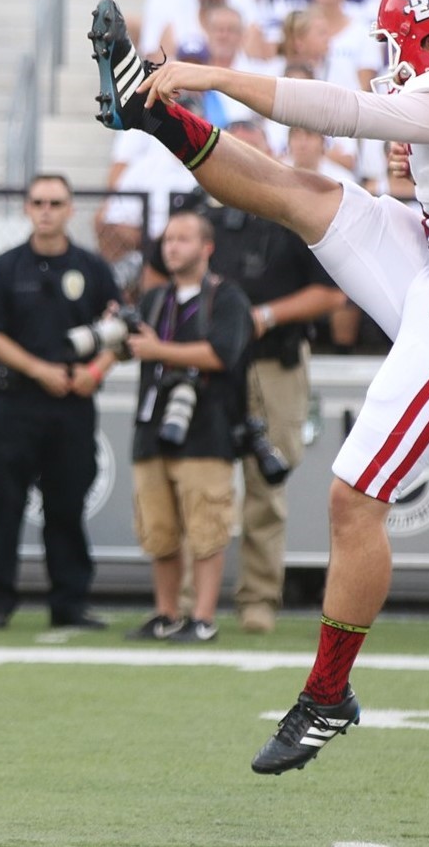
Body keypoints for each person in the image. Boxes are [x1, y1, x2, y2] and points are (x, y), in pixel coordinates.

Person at [91, 0, 429, 772]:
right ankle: (158, 118)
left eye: (398, 42)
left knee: (353, 497)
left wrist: (209, 71)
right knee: (300, 193)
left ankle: (326, 692)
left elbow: (345, 109)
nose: (392, 57)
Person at [0, 174, 120, 631]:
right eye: (38, 202)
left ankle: (69, 603)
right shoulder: (5, 268)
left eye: (55, 202)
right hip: (16, 403)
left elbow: (120, 332)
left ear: (71, 209)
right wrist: (39, 370)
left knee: (67, 506)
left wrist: (94, 373)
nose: (46, 210)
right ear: (26, 208)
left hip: (72, 405)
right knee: (5, 504)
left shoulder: (93, 268)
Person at [204, 202, 346, 635]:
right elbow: (158, 280)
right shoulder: (200, 220)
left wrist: (265, 315)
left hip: (273, 361)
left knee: (268, 481)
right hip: (209, 362)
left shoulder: (292, 219)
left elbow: (331, 293)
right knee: (198, 477)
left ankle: (259, 597)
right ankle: (191, 602)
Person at [121, 209, 252, 643]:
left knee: (206, 528)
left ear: (206, 247)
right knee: (158, 529)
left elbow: (221, 355)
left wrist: (159, 349)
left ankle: (202, 616)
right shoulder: (154, 299)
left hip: (206, 429)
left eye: (182, 239)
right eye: (168, 239)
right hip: (153, 427)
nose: (172, 246)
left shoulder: (227, 297)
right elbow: (132, 346)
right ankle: (165, 614)